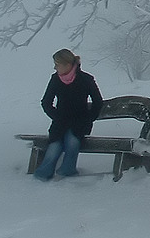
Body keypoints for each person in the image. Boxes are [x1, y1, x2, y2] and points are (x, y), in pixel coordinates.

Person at [32, 48, 103, 181]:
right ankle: (42, 174)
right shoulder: (55, 79)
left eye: (57, 64)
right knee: (55, 146)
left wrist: (89, 118)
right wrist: (57, 116)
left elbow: (98, 101)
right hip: (60, 123)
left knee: (72, 142)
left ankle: (67, 172)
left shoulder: (86, 79)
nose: (55, 67)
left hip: (79, 123)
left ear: (67, 64)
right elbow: (46, 102)